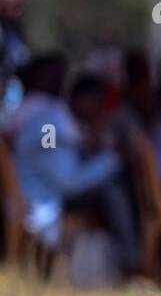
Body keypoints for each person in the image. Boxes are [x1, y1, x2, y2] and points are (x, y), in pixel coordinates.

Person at [10, 56, 139, 273]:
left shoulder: (60, 122)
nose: (99, 112)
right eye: (97, 104)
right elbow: (68, 183)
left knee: (112, 183)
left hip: (53, 192)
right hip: (42, 199)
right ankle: (131, 265)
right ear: (81, 100)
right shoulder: (51, 124)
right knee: (111, 189)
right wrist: (111, 159)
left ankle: (125, 262)